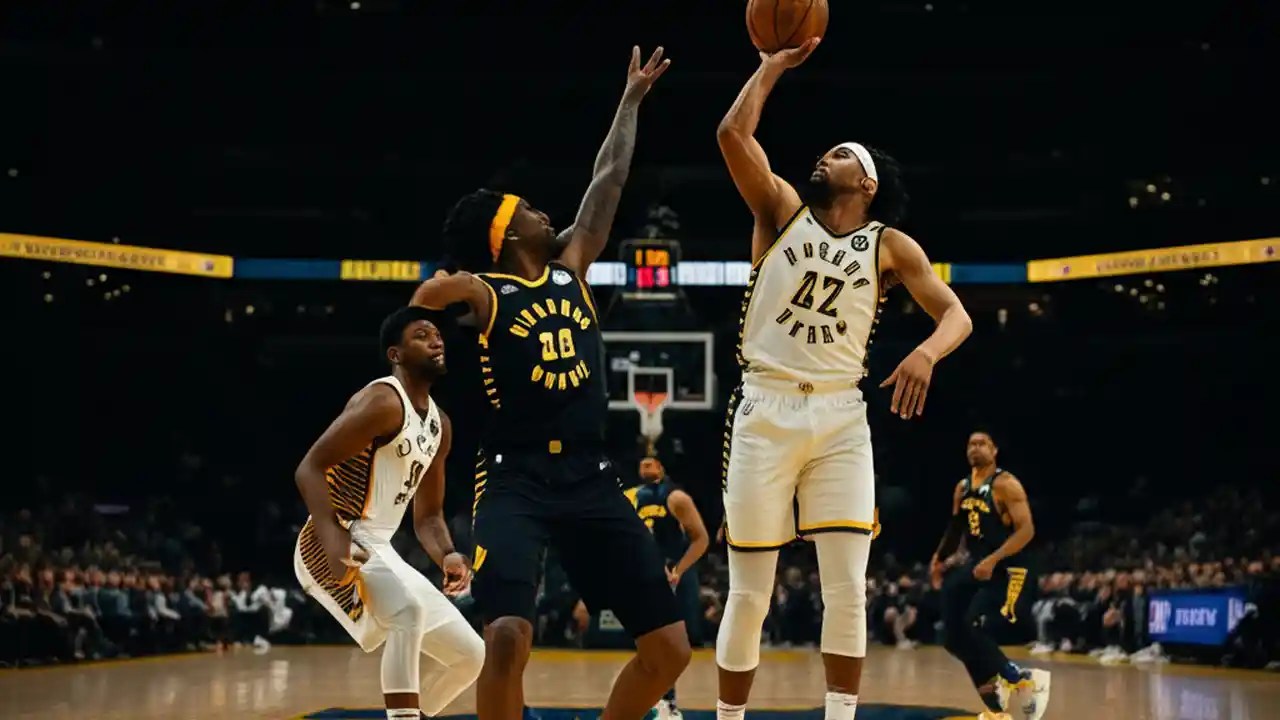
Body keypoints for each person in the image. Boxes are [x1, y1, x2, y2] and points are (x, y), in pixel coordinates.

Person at [408, 46, 690, 720]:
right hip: (515, 478)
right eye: (528, 208)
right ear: (505, 236)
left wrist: (629, 101)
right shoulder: (485, 291)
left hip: (593, 476)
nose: (544, 212)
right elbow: (425, 299)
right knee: (506, 637)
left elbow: (609, 179)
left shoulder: (571, 265)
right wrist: (435, 307)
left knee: (671, 648)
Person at [713, 37, 974, 720]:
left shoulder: (888, 244)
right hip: (764, 408)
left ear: (867, 183)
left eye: (841, 155)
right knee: (750, 590)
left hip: (839, 417)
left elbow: (956, 316)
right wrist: (771, 68)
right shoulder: (780, 210)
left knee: (848, 588)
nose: (823, 158)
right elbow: (732, 133)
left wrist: (925, 353)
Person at [293, 307, 484, 720]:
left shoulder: (439, 425)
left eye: (437, 334)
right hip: (335, 532)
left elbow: (429, 517)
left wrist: (448, 555)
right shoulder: (382, 400)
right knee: (406, 613)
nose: (436, 341)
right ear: (395, 354)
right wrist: (331, 539)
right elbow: (309, 467)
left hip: (378, 546)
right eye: (422, 335)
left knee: (471, 654)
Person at [929, 431, 1050, 720]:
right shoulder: (962, 488)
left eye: (982, 443)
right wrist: (938, 559)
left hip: (1011, 567)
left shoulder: (1006, 484)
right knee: (952, 635)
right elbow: (955, 528)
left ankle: (1016, 677)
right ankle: (997, 707)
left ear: (994, 450)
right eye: (971, 443)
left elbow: (1027, 530)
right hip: (979, 566)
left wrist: (994, 559)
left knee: (976, 627)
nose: (976, 448)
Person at [630, 456, 711, 720]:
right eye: (642, 464)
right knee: (647, 645)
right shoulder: (633, 497)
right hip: (645, 575)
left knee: (671, 645)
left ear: (662, 468)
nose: (645, 467)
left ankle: (669, 704)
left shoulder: (676, 498)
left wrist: (678, 570)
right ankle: (655, 701)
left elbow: (701, 539)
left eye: (650, 463)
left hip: (672, 575)